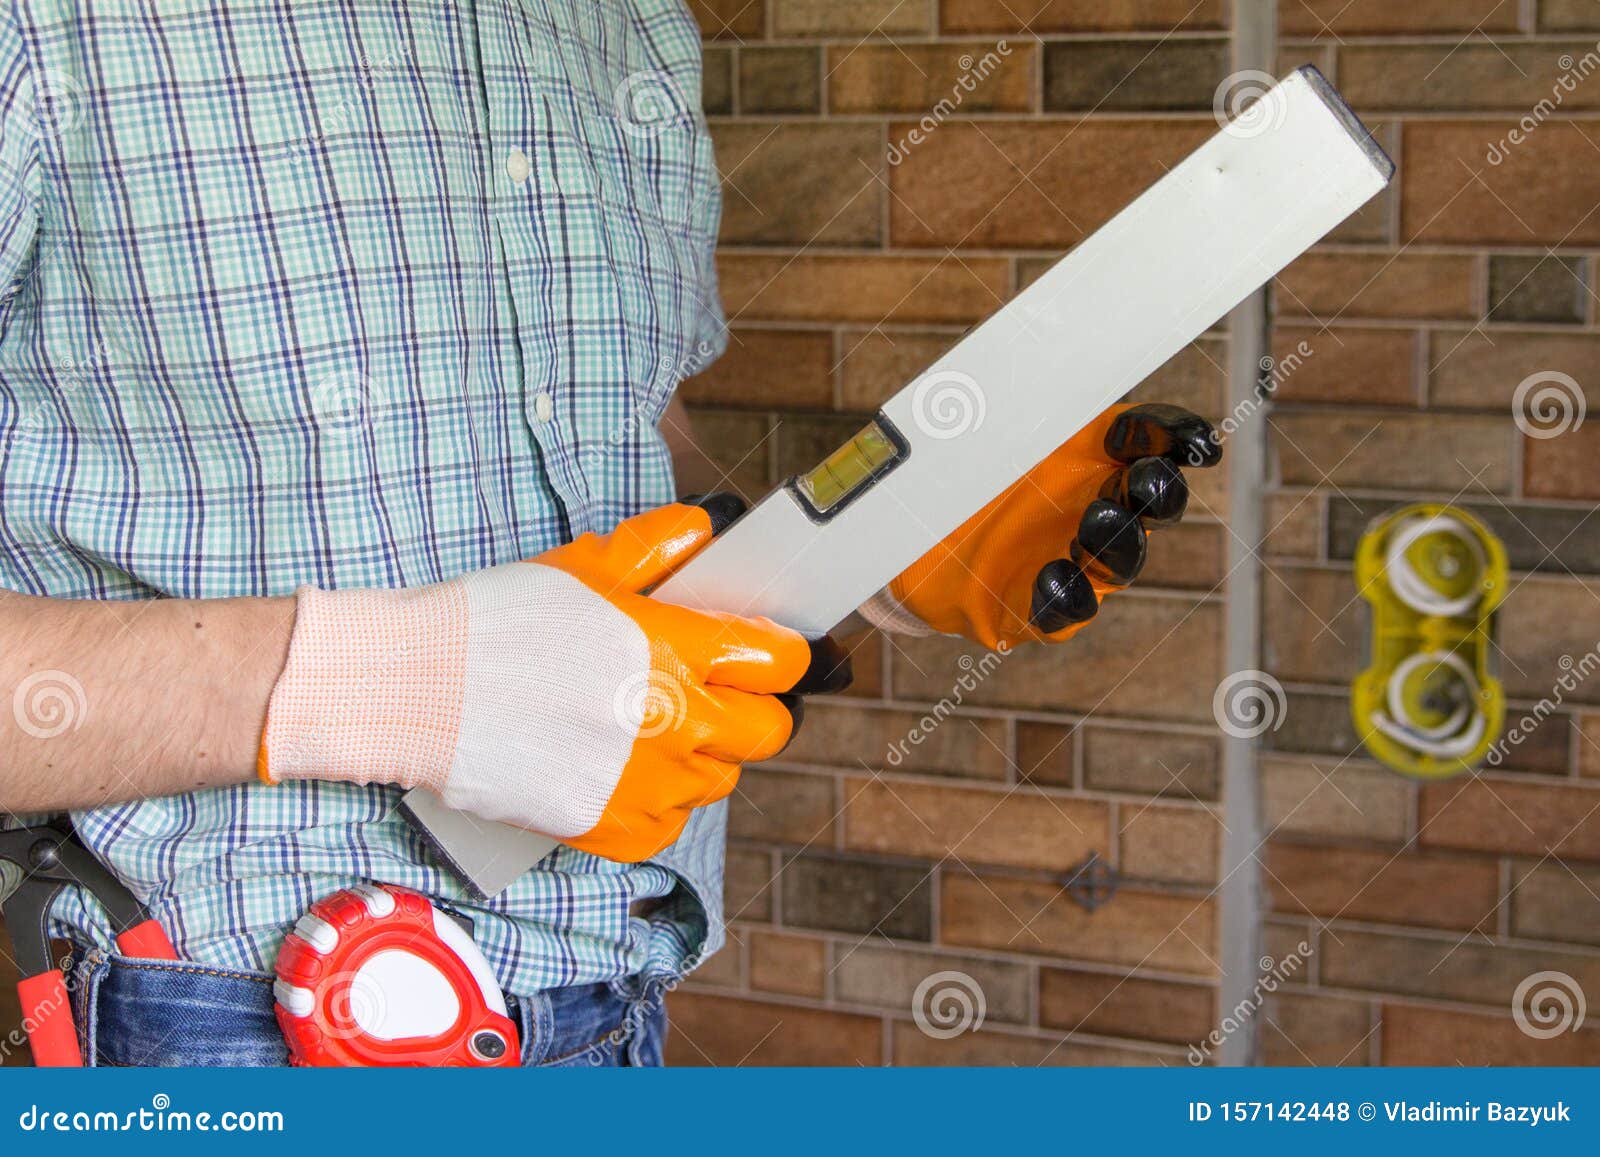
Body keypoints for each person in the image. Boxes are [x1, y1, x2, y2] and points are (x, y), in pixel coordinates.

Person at [0, 1, 1217, 1067]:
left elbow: (629, 455)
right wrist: (409, 686)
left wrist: (870, 548)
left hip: (611, 989)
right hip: (215, 1017)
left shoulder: (621, 21)